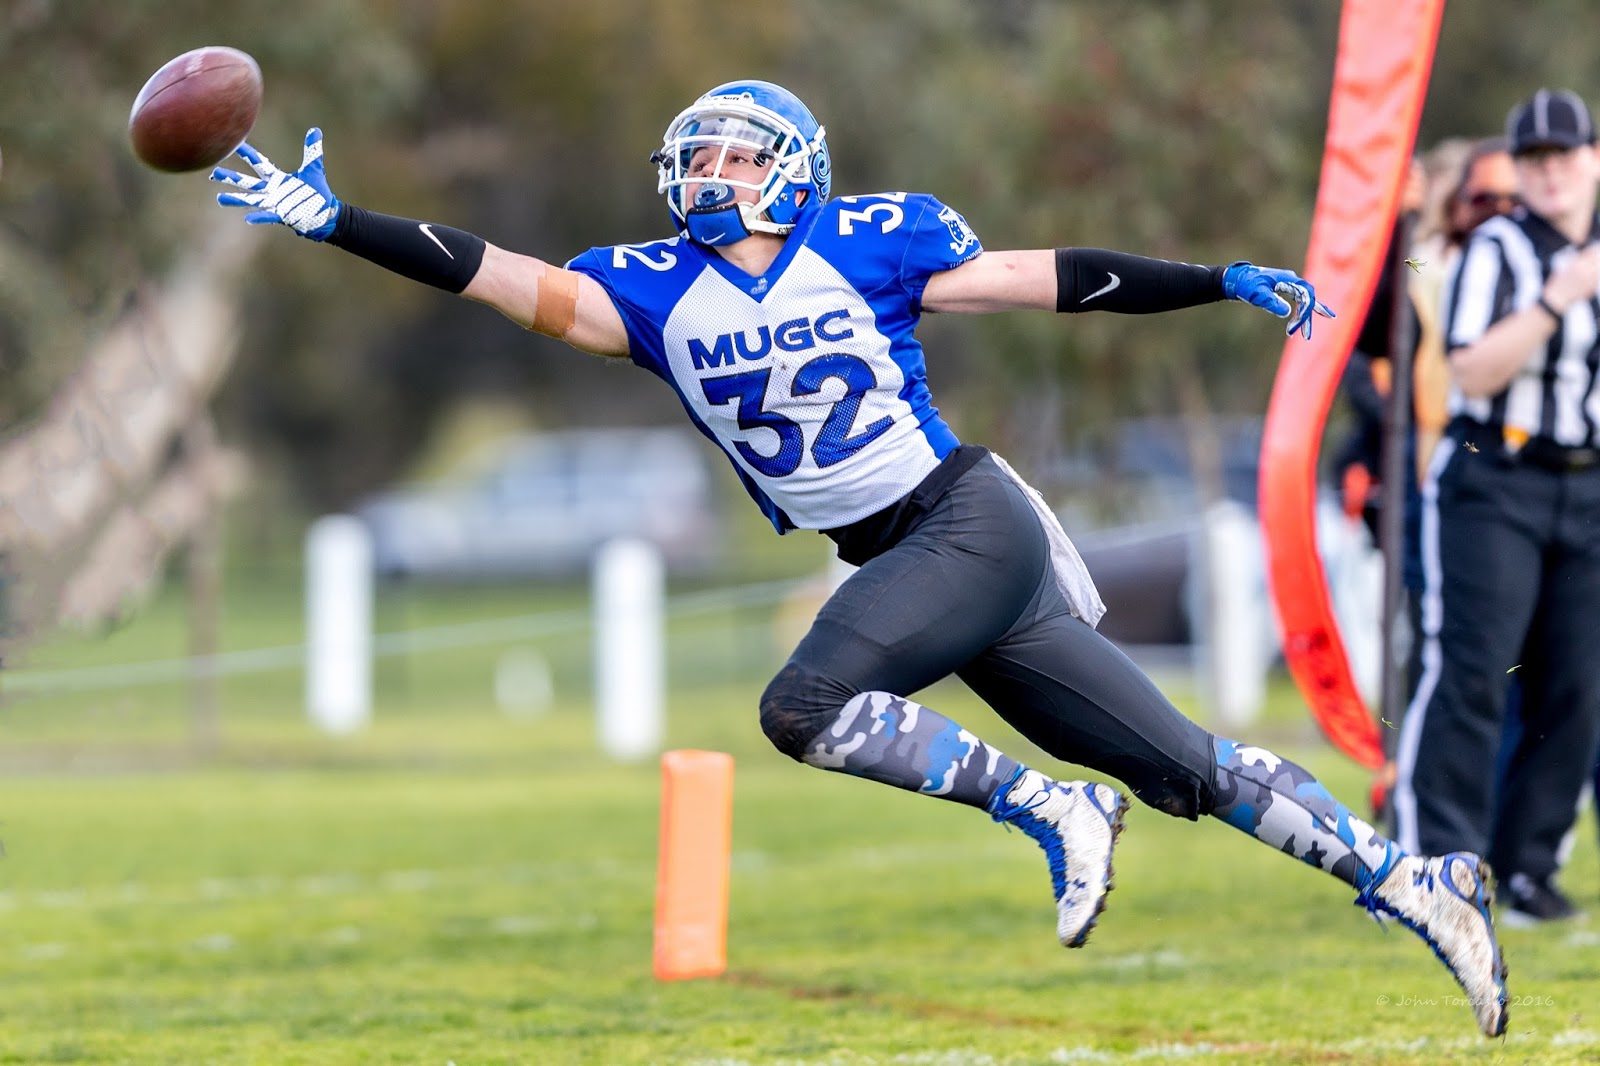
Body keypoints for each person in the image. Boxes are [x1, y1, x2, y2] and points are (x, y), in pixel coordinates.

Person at [209, 80, 1508, 1036]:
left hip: (965, 520)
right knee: (1188, 768)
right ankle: (1414, 877)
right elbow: (499, 275)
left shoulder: (873, 237)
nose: (706, 172)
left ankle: (1052, 806)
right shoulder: (646, 289)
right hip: (908, 553)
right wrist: (338, 221)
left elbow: (1051, 278)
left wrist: (1213, 279)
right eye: (694, 154)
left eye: (731, 152)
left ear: (793, 167)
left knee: (803, 704)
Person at [1394, 88, 1600, 929]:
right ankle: (1433, 865)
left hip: (1586, 481)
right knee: (1474, 673)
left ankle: (1527, 867)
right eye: (1536, 159)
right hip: (1494, 477)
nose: (1552, 173)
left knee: (1578, 686)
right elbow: (1472, 371)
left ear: (1593, 159)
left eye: (1565, 155)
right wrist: (1558, 299)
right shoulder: (1498, 248)